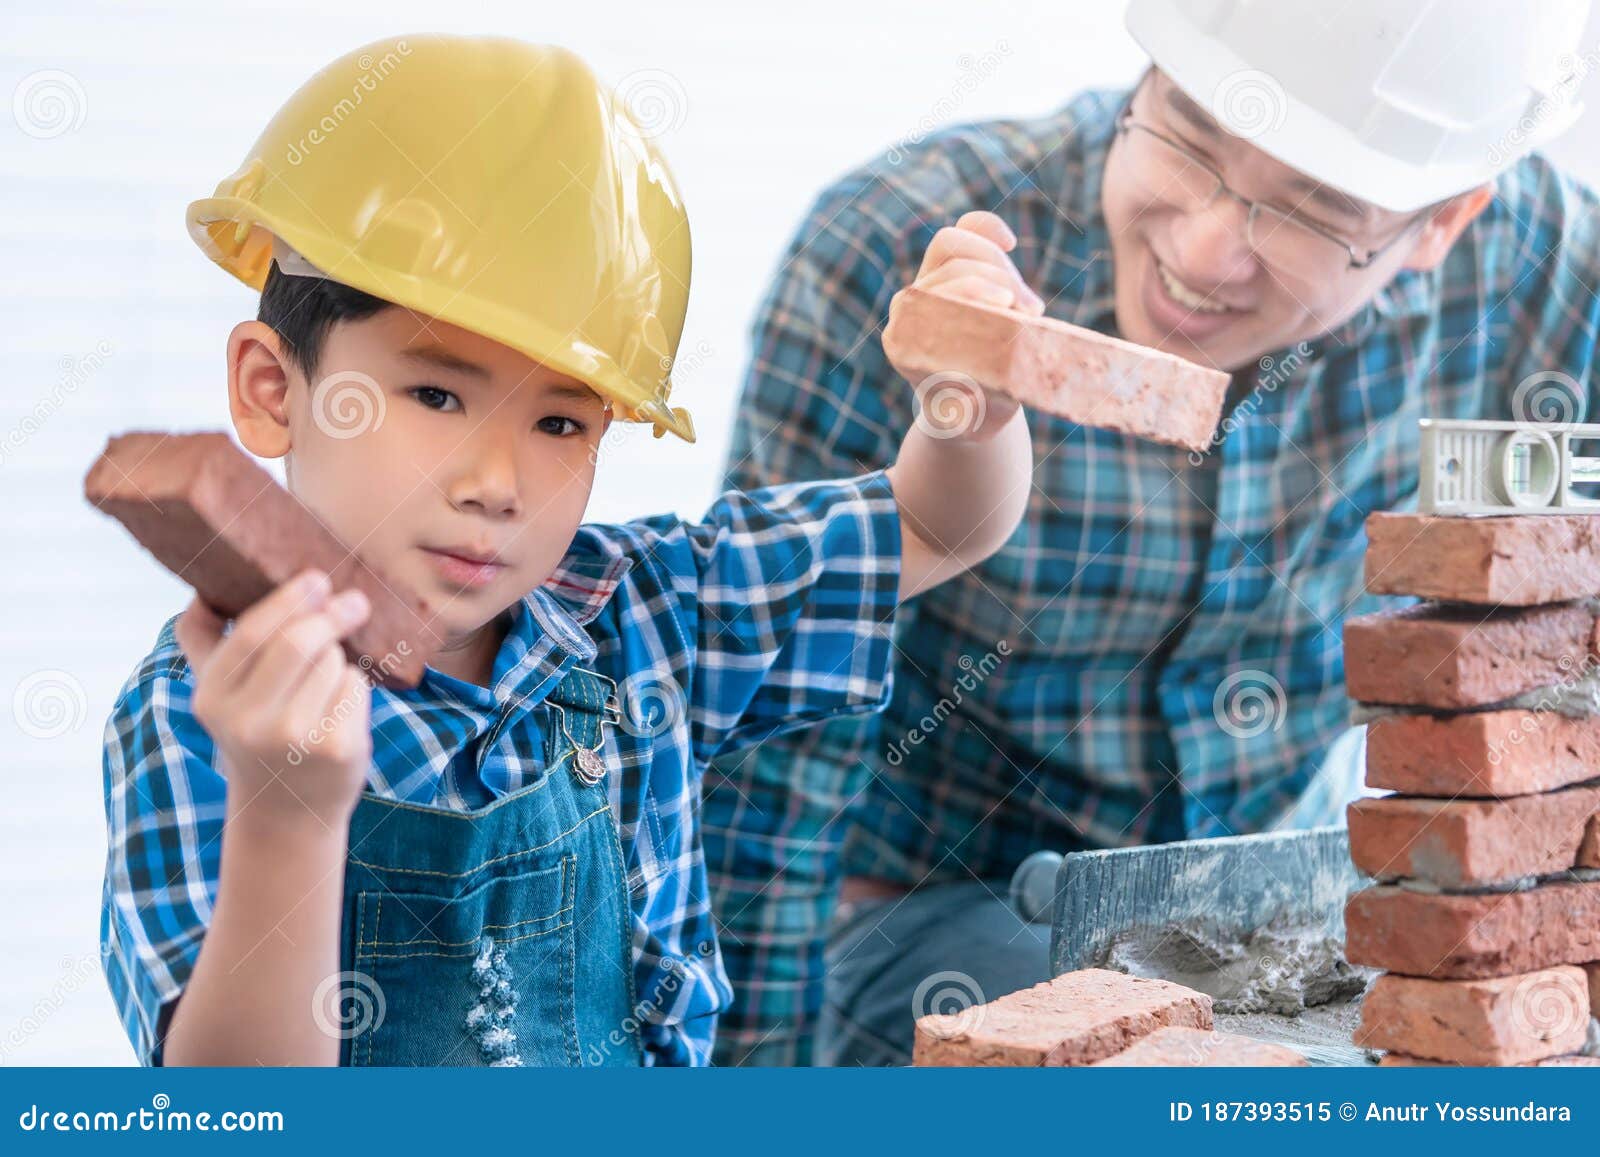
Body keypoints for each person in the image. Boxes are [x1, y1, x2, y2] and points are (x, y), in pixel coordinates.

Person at [97, 34, 1034, 1067]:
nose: (497, 482)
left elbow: (934, 525)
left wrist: (967, 408)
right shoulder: (202, 710)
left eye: (559, 424)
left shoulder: (645, 616)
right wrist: (288, 817)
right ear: (273, 390)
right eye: (436, 394)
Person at [704, 0, 1600, 1066]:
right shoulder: (896, 244)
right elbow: (770, 763)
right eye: (1187, 137)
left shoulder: (1539, 269)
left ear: (1436, 227)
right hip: (929, 913)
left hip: (1287, 901)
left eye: (1312, 208)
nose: (1206, 250)